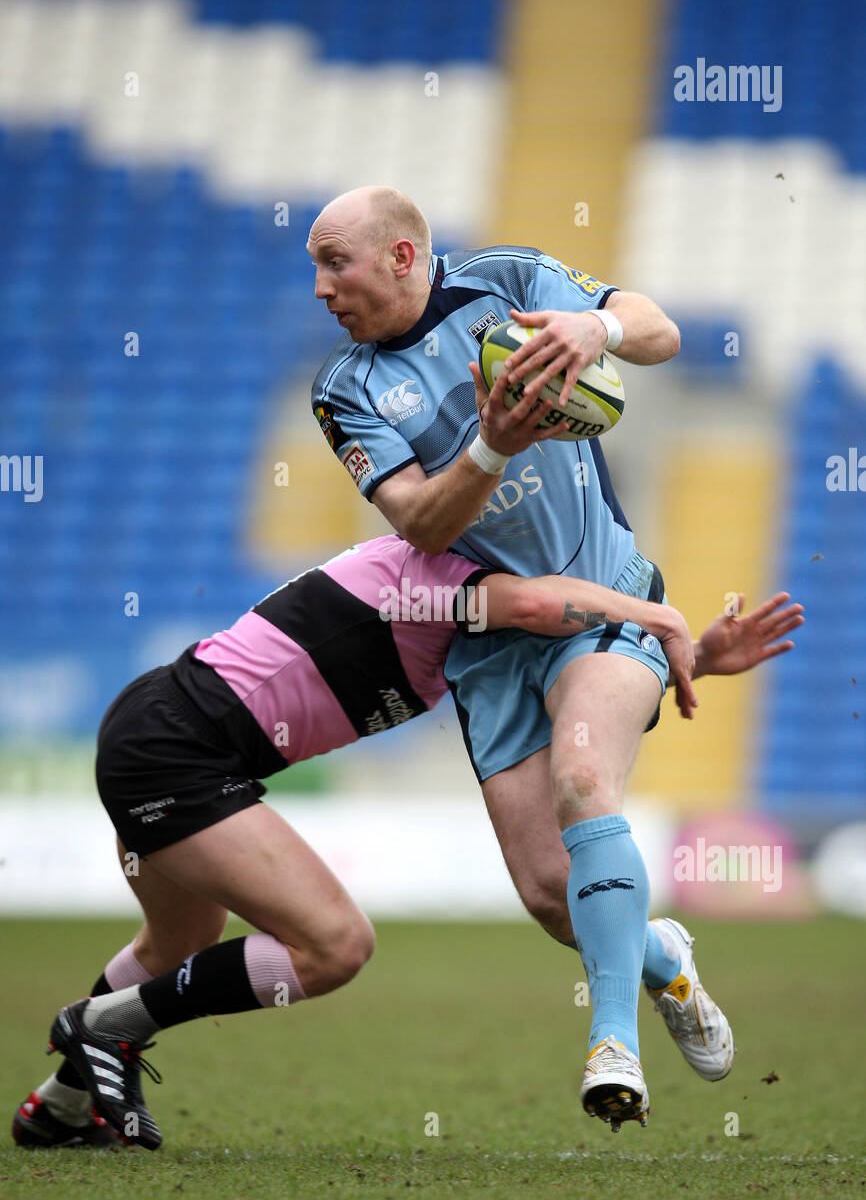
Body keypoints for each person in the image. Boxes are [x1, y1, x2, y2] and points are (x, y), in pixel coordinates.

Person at [307, 184, 804, 1130]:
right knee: (551, 898)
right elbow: (418, 519)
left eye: (338, 263)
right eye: (317, 268)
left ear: (403, 257)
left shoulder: (508, 283)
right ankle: (665, 961)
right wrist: (493, 445)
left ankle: (612, 1043)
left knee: (586, 778)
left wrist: (595, 331)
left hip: (606, 602)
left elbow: (656, 329)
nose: (323, 289)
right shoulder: (346, 387)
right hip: (490, 642)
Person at [14, 531, 714, 1150]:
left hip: (164, 733)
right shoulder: (428, 575)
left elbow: (574, 660)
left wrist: (696, 657)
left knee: (176, 944)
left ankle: (61, 1106)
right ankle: (107, 1022)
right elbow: (538, 607)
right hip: (174, 752)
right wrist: (654, 614)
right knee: (335, 945)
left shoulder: (463, 603)